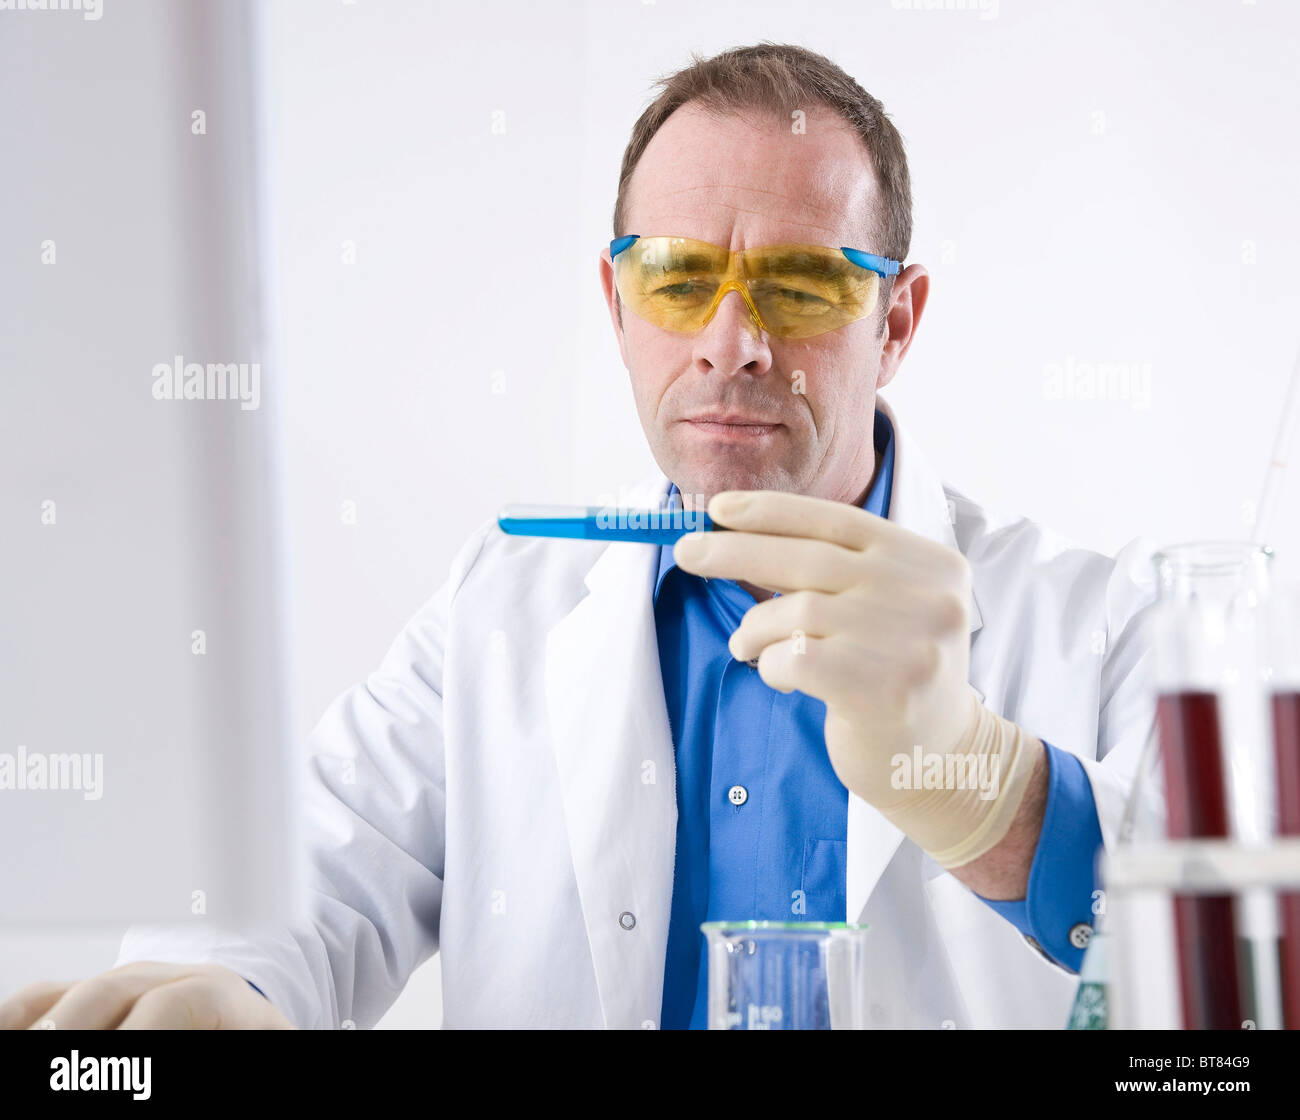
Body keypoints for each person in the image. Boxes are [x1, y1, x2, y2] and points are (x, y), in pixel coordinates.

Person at [0, 42, 1157, 1031]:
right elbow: (312, 879)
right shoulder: (499, 610)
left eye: (800, 286)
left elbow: (1243, 980)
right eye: (678, 280)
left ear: (894, 319)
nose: (730, 342)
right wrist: (227, 990)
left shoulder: (1095, 617)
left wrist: (986, 789)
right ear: (615, 304)